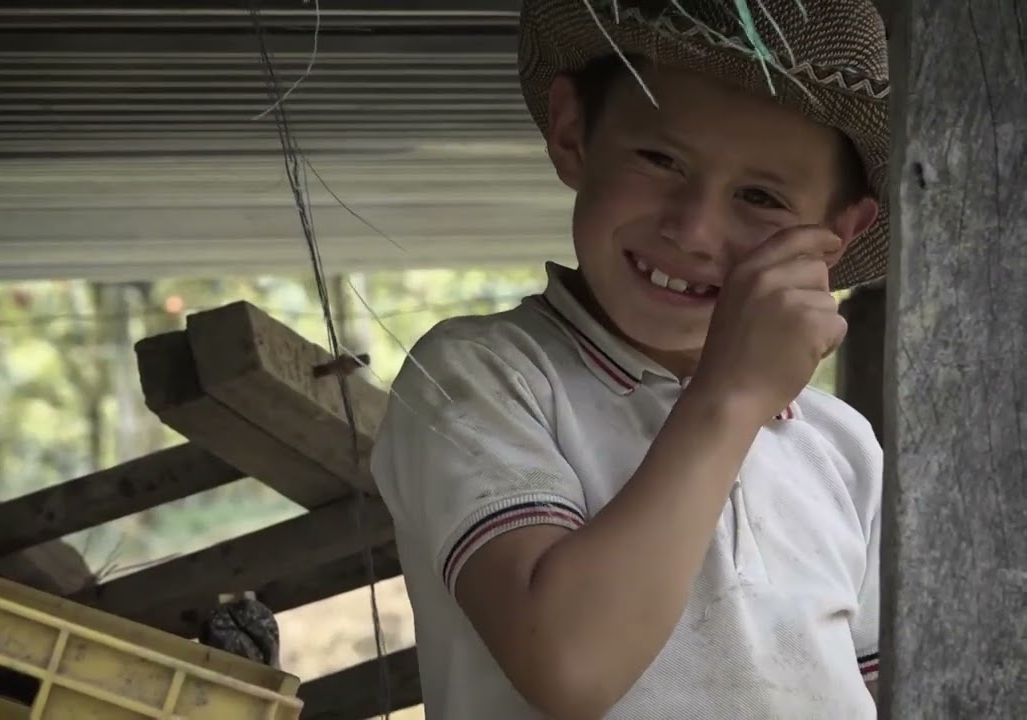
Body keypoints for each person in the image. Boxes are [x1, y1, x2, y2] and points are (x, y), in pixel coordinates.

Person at [369, 0, 890, 718]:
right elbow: (570, 665)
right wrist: (730, 397)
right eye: (660, 159)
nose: (694, 229)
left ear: (836, 233)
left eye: (761, 197)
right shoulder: (483, 378)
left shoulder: (840, 447)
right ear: (574, 132)